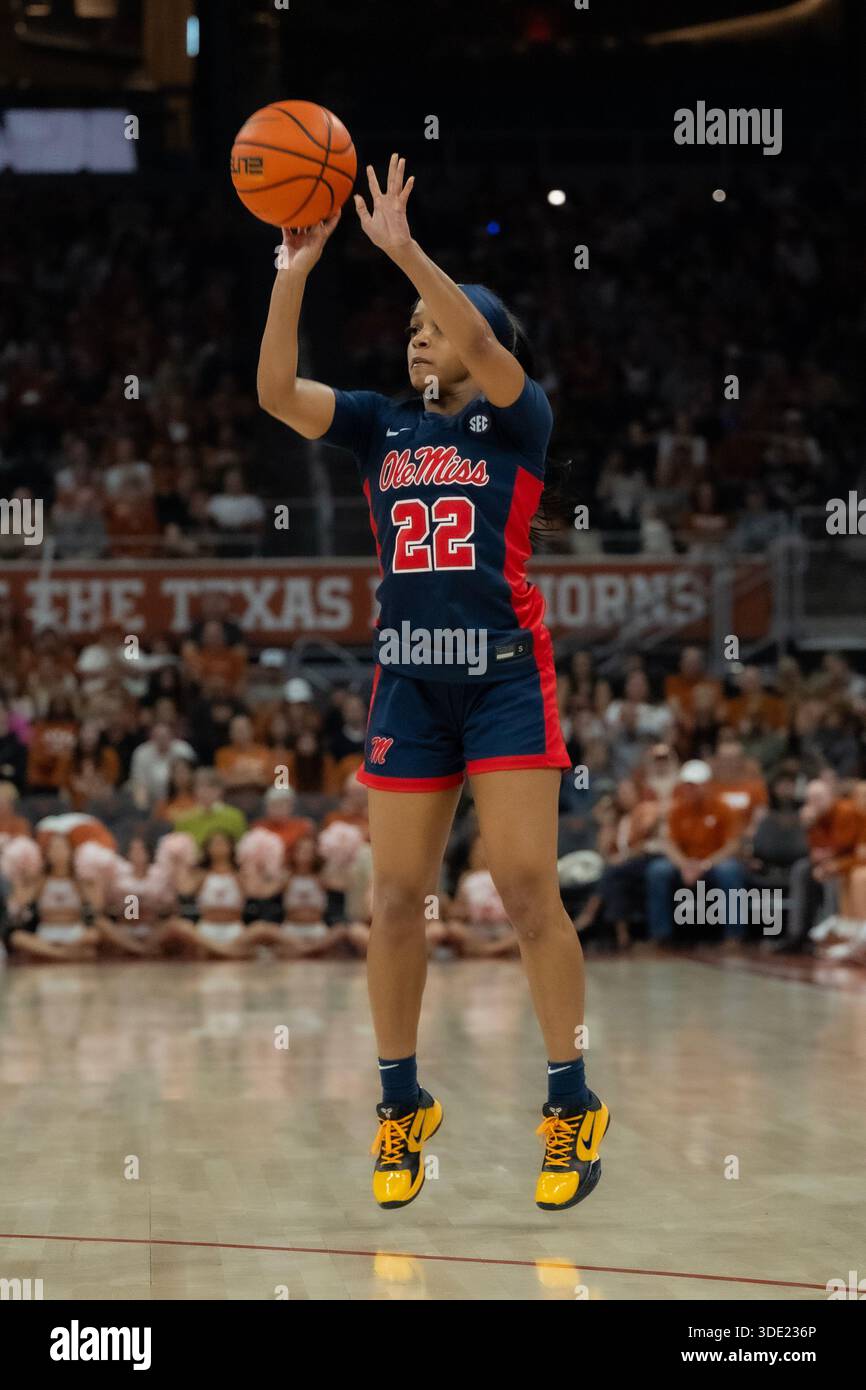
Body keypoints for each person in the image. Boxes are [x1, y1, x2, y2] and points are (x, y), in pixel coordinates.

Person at [257, 153, 609, 1213]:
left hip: (503, 677)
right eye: (408, 317)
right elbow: (275, 391)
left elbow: (491, 354)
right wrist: (293, 270)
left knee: (522, 884)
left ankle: (568, 1103)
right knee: (393, 901)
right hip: (409, 684)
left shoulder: (517, 417)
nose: (418, 326)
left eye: (437, 318)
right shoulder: (377, 422)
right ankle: (400, 1104)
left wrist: (407, 250)